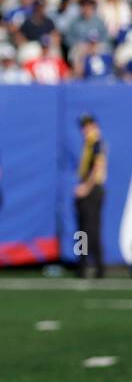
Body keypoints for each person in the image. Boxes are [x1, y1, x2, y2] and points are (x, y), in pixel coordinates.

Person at [74, 113, 107, 279]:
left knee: (90, 230)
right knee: (83, 231)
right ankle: (83, 265)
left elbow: (97, 168)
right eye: (83, 126)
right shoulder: (88, 143)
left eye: (87, 125)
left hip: (92, 190)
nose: (84, 129)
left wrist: (86, 188)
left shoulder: (96, 143)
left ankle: (96, 266)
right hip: (86, 187)